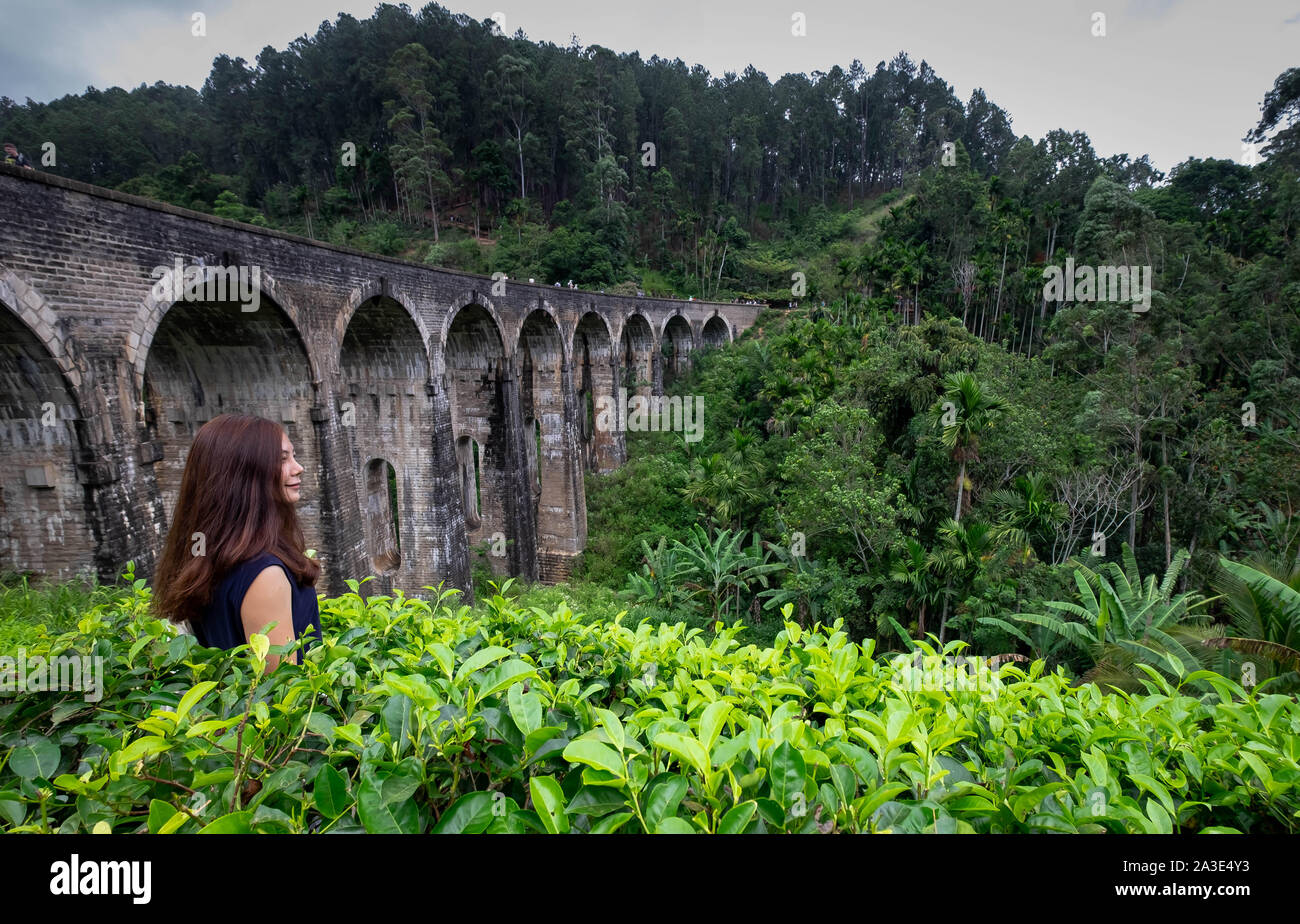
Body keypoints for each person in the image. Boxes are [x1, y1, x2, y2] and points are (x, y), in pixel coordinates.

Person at [152, 414, 322, 669]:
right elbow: (283, 694)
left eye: (293, 456)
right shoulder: (266, 575)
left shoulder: (206, 553)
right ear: (245, 474)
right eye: (282, 459)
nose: (298, 468)